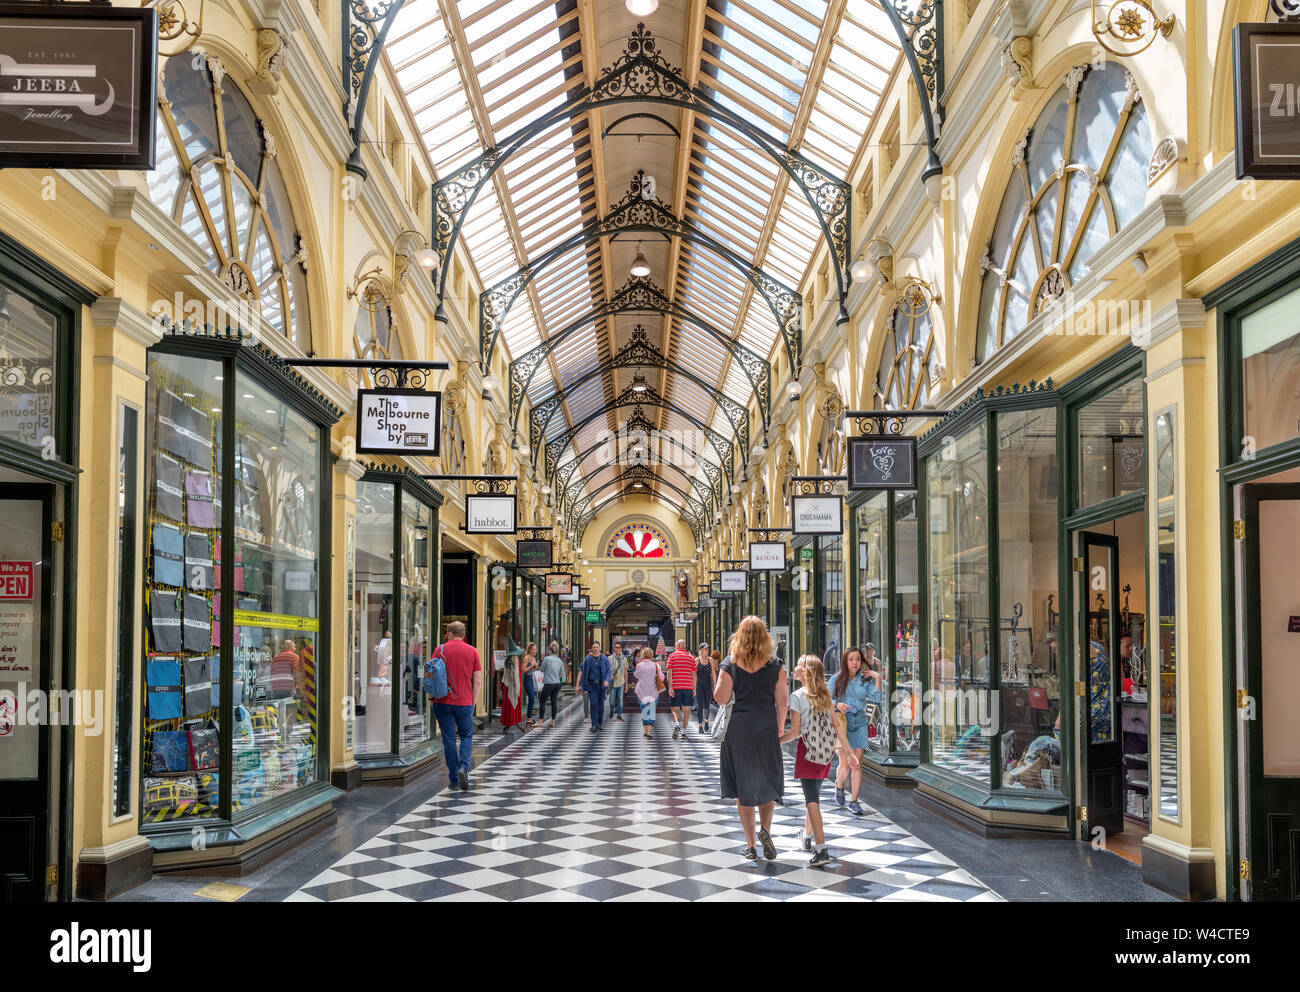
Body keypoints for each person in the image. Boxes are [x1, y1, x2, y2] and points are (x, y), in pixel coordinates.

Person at [715, 616, 787, 862]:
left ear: (739, 635)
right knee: (767, 780)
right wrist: (779, 727)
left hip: (739, 729)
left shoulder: (731, 664)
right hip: (766, 727)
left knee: (743, 786)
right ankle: (765, 830)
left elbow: (721, 698)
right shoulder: (775, 665)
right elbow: (783, 701)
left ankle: (751, 845)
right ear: (765, 636)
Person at [780, 655, 857, 866]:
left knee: (811, 800)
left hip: (807, 750)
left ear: (805, 671)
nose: (794, 667)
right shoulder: (824, 695)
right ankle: (806, 836)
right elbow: (837, 727)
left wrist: (776, 740)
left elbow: (795, 732)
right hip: (825, 752)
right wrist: (849, 753)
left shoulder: (797, 696)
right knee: (812, 797)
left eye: (798, 664)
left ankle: (822, 849)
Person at [431, 620, 484, 792]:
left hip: (443, 700)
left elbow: (431, 675)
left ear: (450, 634)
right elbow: (477, 680)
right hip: (465, 701)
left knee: (449, 739)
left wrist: (432, 697)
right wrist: (473, 701)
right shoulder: (473, 651)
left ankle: (453, 780)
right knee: (467, 735)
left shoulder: (441, 650)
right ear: (464, 635)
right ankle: (464, 767)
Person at [829, 646, 875, 815]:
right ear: (845, 661)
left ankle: (854, 801)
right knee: (846, 765)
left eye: (857, 659)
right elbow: (826, 701)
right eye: (851, 659)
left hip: (860, 722)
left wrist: (876, 677)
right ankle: (839, 785)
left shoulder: (865, 680)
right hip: (842, 723)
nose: (855, 662)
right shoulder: (836, 679)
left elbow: (877, 697)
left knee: (857, 763)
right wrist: (836, 705)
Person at [665, 639, 697, 740]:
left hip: (676, 687)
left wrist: (670, 687)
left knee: (675, 709)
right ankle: (684, 732)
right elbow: (694, 675)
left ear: (677, 645)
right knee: (686, 709)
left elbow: (669, 673)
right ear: (685, 646)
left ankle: (677, 725)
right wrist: (694, 688)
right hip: (688, 687)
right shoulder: (691, 658)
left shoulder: (672, 656)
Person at [633, 647, 665, 740]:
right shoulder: (656, 665)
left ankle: (645, 730)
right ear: (651, 654)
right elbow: (662, 677)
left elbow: (636, 675)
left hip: (642, 692)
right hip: (653, 692)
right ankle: (648, 732)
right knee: (651, 712)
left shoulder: (639, 665)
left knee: (644, 712)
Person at [579, 641, 611, 733]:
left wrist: (607, 681)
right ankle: (594, 724)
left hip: (601, 685)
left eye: (597, 647)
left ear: (600, 648)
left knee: (600, 705)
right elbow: (584, 673)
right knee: (593, 704)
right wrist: (584, 687)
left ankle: (599, 723)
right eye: (594, 647)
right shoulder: (588, 659)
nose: (595, 649)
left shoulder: (604, 659)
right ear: (591, 649)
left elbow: (609, 671)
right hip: (591, 684)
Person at [539, 641, 566, 727]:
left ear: (550, 650)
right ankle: (553, 721)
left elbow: (541, 669)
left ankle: (540, 721)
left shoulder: (546, 659)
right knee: (554, 701)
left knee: (542, 701)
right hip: (557, 683)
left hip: (549, 683)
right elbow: (562, 673)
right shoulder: (559, 660)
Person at [501, 645, 523, 734]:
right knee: (512, 704)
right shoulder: (515, 660)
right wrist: (517, 688)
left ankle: (508, 722)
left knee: (508, 704)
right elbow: (516, 675)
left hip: (508, 685)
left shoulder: (508, 659)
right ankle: (511, 721)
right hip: (513, 685)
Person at [695, 642, 716, 733]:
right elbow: (693, 674)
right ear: (701, 650)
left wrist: (715, 684)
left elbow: (713, 673)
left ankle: (706, 721)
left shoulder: (710, 660)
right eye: (705, 649)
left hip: (708, 684)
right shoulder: (696, 660)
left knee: (707, 704)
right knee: (700, 705)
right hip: (699, 684)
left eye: (708, 649)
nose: (707, 650)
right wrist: (693, 686)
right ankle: (700, 726)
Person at [521, 642, 540, 727]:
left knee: (533, 698)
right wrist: (532, 666)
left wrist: (536, 666)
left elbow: (536, 668)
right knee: (532, 698)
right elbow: (523, 670)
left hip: (533, 679)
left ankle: (529, 718)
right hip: (528, 679)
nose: (535, 651)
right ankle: (529, 718)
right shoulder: (526, 658)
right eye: (533, 649)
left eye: (536, 649)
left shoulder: (534, 658)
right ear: (529, 650)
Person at [608, 641, 627, 722]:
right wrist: (611, 675)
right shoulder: (610, 658)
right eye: (616, 647)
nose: (617, 649)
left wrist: (627, 684)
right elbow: (607, 670)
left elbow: (625, 671)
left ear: (621, 649)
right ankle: (612, 710)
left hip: (621, 682)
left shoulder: (624, 659)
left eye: (618, 647)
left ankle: (619, 715)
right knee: (612, 699)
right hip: (613, 682)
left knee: (620, 700)